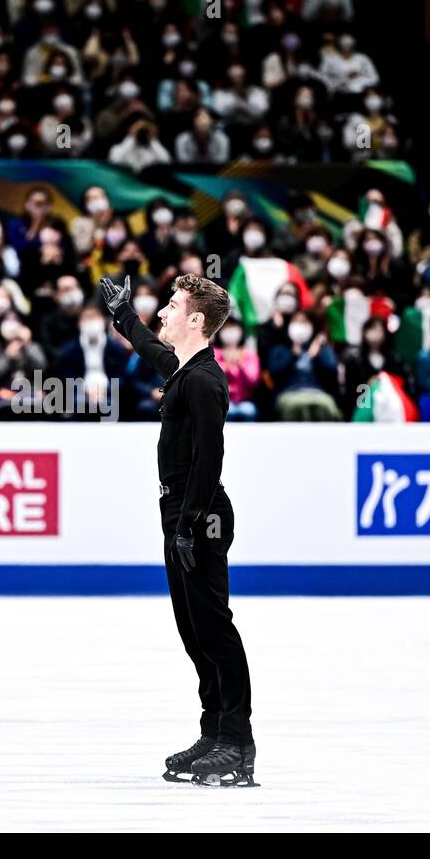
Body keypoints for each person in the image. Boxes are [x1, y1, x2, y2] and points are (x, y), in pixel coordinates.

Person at [100, 273, 256, 787]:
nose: (163, 312)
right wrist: (124, 317)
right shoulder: (186, 371)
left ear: (196, 320)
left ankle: (237, 741)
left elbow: (211, 459)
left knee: (215, 630)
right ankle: (213, 734)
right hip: (183, 517)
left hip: (201, 515)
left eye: (171, 305)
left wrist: (189, 524)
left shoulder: (206, 381)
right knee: (194, 633)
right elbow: (150, 349)